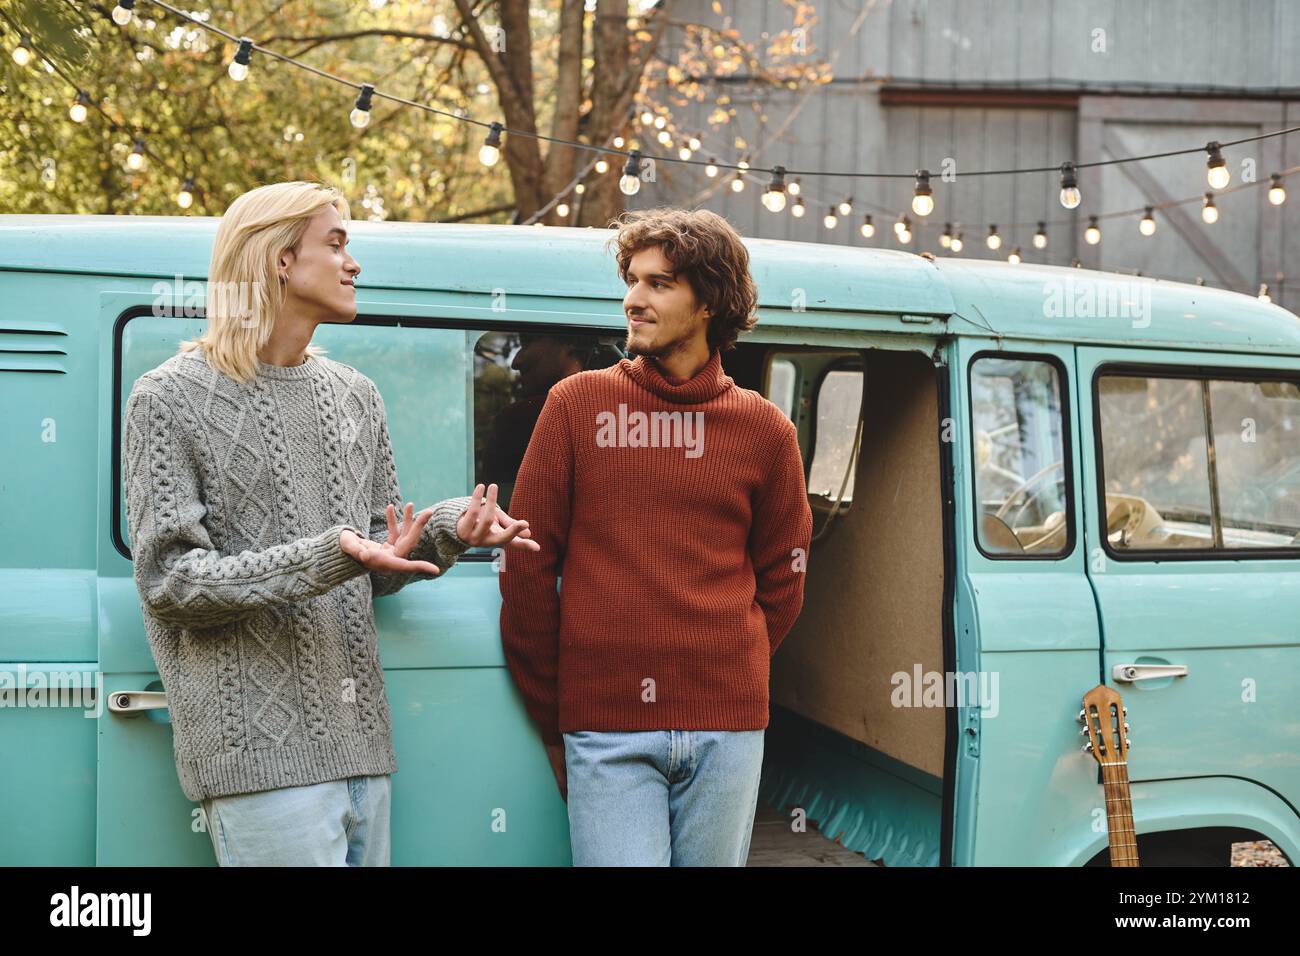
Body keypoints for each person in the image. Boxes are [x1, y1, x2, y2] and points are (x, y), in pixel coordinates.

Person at [121, 181, 537, 866]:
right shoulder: (167, 398)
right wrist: (331, 553)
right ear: (279, 259)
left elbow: (375, 554)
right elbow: (171, 583)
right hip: (258, 762)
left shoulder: (355, 396)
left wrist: (450, 526)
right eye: (336, 243)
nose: (354, 263)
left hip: (361, 748)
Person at [499, 207, 813, 866]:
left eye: (659, 284)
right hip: (605, 727)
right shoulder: (576, 407)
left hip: (727, 731)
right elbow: (526, 567)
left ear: (711, 303)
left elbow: (784, 577)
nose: (633, 300)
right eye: (632, 280)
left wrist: (733, 661)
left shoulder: (765, 432)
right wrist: (557, 716)